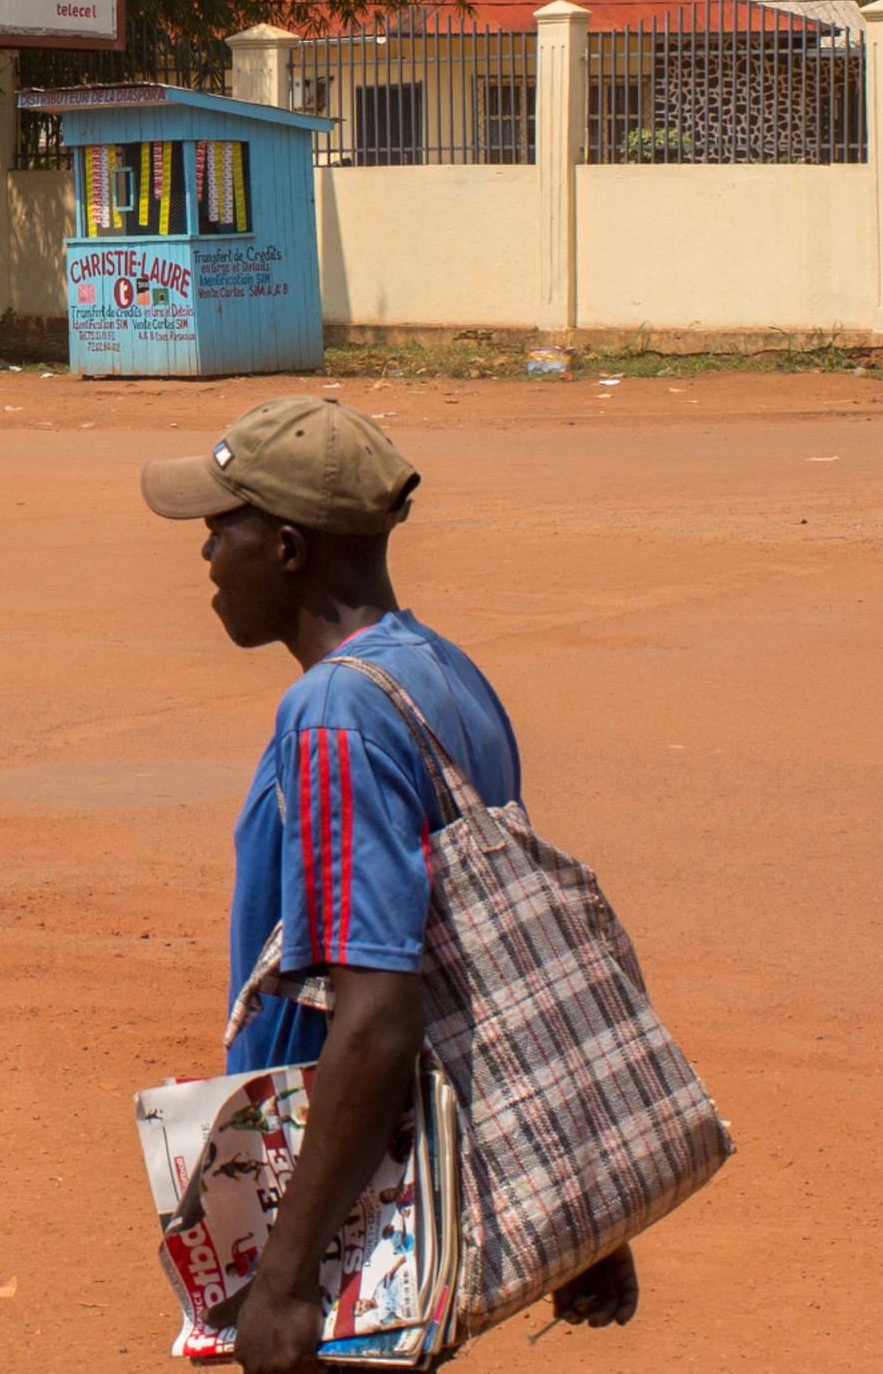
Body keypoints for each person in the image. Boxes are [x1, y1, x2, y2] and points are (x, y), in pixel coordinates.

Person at [141, 396, 636, 1374]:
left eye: (220, 527)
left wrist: (285, 1281)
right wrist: (590, 1205)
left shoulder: (332, 713)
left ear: (287, 548)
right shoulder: (442, 670)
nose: (205, 552)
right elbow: (507, 959)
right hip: (408, 1181)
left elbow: (376, 1013)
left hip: (344, 1205)